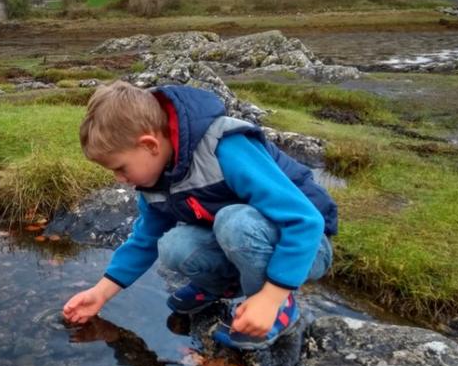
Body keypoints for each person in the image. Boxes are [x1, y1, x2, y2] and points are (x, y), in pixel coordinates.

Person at [62, 81, 337, 350]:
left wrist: (271, 297)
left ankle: (277, 308)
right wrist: (99, 294)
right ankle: (220, 287)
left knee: (235, 222)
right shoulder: (155, 181)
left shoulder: (224, 149)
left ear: (150, 145)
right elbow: (144, 241)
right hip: (242, 242)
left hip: (307, 246)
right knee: (172, 245)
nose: (120, 179)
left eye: (121, 168)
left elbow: (306, 221)